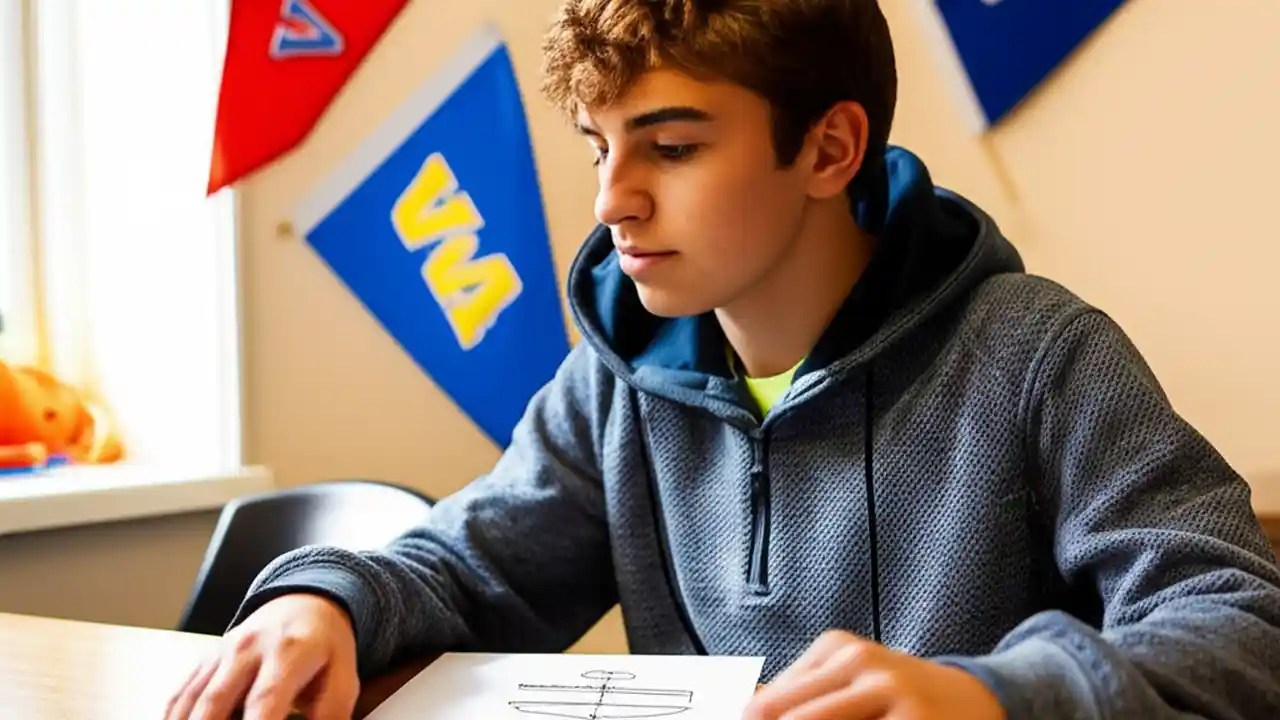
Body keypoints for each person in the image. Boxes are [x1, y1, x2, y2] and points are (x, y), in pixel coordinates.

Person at [166, 1, 1280, 718]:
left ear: (829, 147)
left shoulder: (1037, 355)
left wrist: (986, 699)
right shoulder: (618, 376)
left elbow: (1241, 631)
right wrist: (326, 602)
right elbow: (469, 567)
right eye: (601, 147)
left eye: (673, 146)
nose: (611, 203)